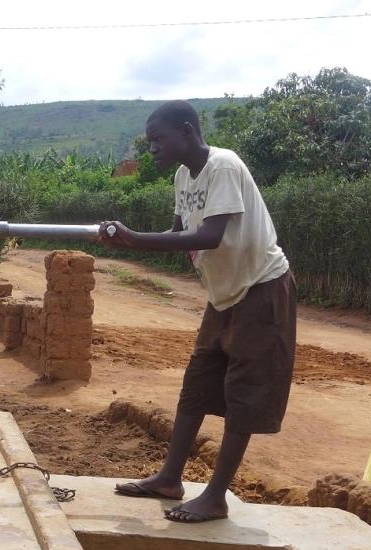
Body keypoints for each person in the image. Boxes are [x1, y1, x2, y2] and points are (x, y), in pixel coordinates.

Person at [98, 100, 296, 523]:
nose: (152, 148)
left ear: (187, 131)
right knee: (197, 384)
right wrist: (130, 241)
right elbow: (179, 234)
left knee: (243, 395)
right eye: (150, 141)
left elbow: (209, 235)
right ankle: (170, 478)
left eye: (158, 139)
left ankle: (216, 496)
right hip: (223, 296)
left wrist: (133, 239)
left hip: (261, 289)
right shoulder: (182, 176)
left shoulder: (222, 165)